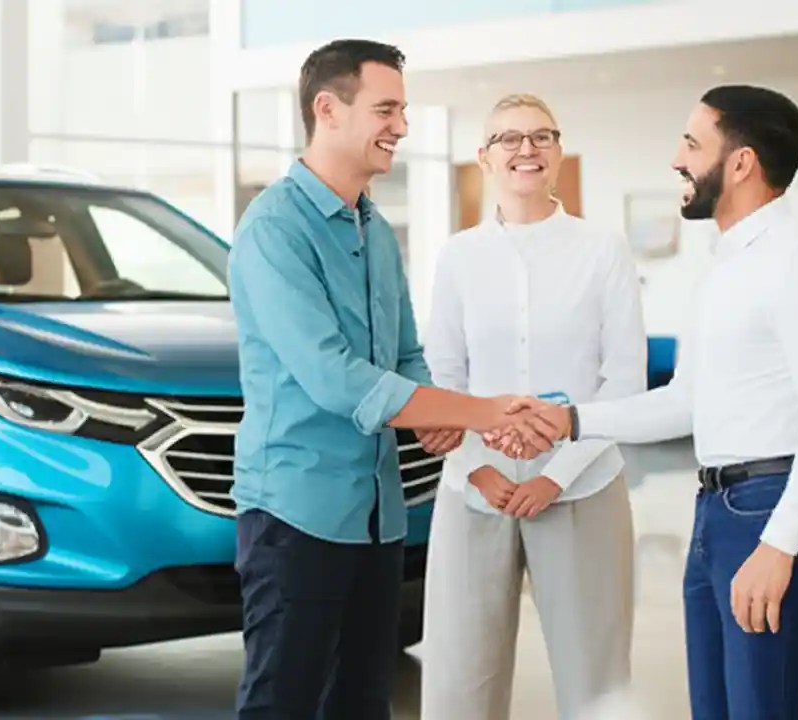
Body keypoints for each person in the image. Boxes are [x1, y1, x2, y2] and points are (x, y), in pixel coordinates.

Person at [489, 85, 798, 720]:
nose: (677, 160)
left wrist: (778, 545)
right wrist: (570, 419)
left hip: (767, 511)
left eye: (693, 143)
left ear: (741, 162)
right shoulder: (726, 267)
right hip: (718, 511)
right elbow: (686, 401)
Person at [226, 39, 555, 720]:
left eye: (402, 110)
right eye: (387, 108)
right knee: (281, 704)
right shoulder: (273, 230)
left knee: (363, 703)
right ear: (328, 109)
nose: (401, 126)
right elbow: (334, 378)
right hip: (295, 515)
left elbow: (405, 352)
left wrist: (436, 408)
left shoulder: (375, 228)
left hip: (377, 518)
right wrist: (478, 412)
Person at [420, 93, 646, 720]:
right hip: (473, 489)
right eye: (510, 139)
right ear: (483, 157)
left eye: (541, 137)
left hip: (582, 486)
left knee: (594, 679)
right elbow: (445, 377)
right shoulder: (459, 256)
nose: (527, 149)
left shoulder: (603, 250)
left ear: (559, 150)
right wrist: (478, 468)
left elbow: (622, 380)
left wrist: (554, 476)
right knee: (460, 680)